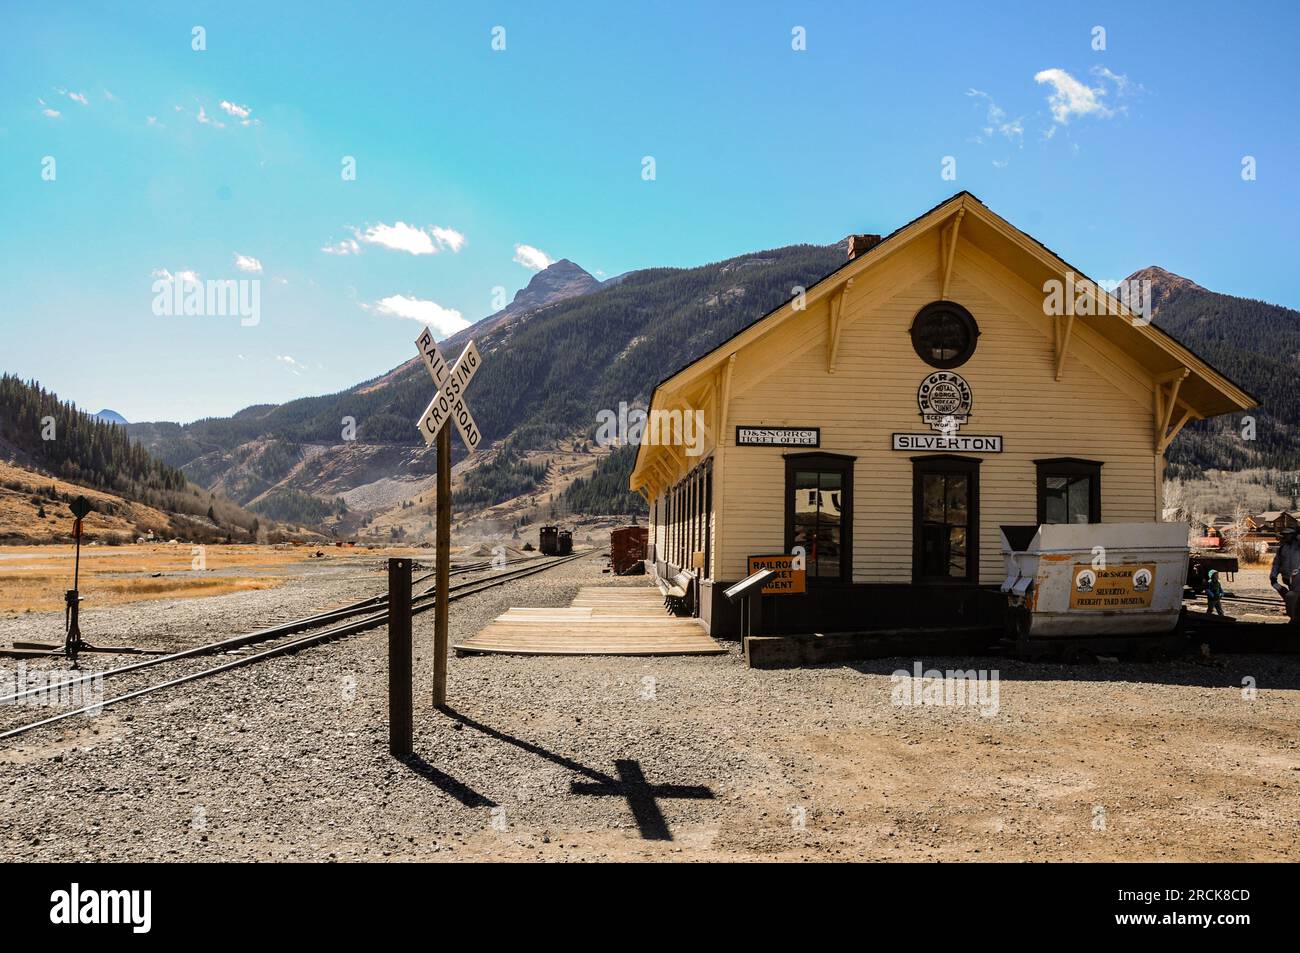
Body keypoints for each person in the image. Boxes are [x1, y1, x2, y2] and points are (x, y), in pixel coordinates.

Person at [1270, 526, 1300, 623]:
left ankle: (1295, 619)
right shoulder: (1283, 548)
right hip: (1288, 579)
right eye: (1284, 535)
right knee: (1290, 599)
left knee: (1294, 599)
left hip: (1298, 580)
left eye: (1287, 535)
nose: (1285, 537)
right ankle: (1294, 618)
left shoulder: (1298, 546)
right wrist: (1273, 577)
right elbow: (1277, 563)